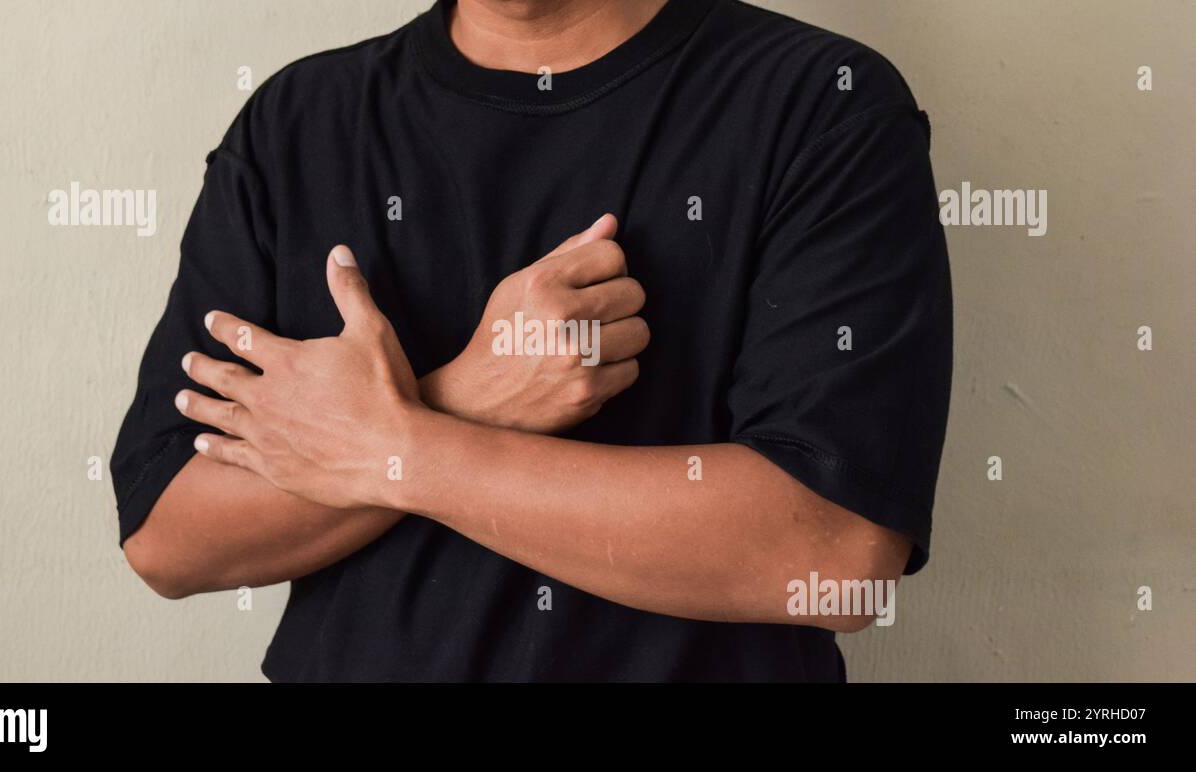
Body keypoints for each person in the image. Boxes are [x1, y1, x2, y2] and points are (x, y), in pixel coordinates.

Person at [111, 0, 952, 681]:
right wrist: (467, 393)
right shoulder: (297, 123)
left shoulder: (819, 101)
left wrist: (397, 442)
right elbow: (168, 538)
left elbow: (835, 551)